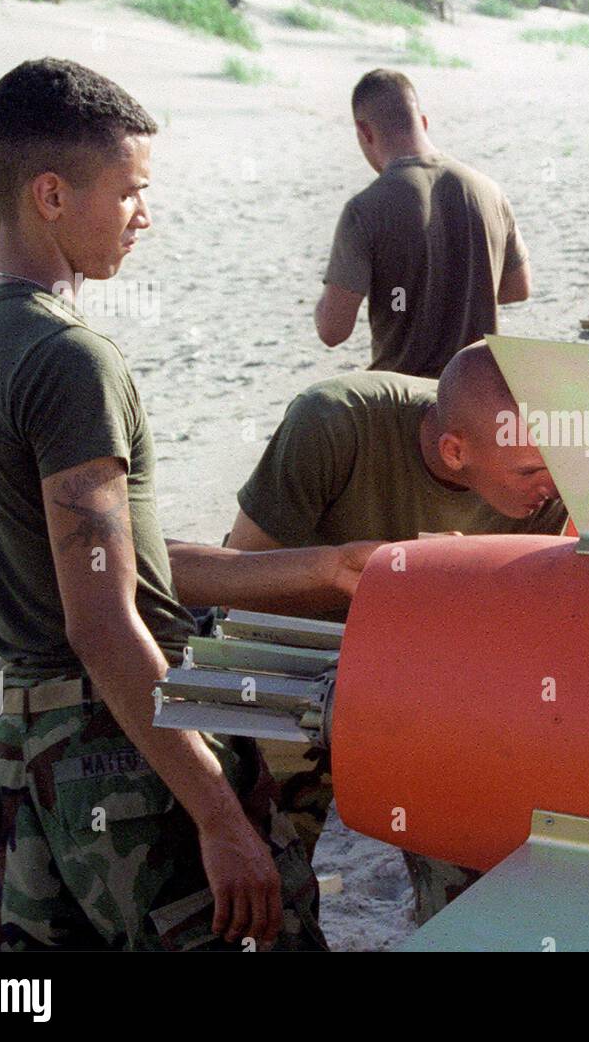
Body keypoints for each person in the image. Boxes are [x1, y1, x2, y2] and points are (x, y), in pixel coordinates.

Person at [0, 58, 372, 951]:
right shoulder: (69, 359)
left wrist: (319, 569)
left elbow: (96, 558)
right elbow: (101, 620)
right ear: (50, 195)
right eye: (131, 191)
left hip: (32, 760)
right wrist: (217, 813)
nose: (147, 215)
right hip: (127, 753)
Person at [219, 343, 567, 923]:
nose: (550, 486)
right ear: (455, 452)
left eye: (556, 462)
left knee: (472, 883)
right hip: (295, 668)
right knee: (263, 877)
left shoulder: (541, 477)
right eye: (531, 470)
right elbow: (238, 580)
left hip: (426, 689)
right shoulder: (334, 424)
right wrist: (386, 577)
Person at [314, 70, 532, 379]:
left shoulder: (365, 209)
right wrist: (458, 288)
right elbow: (518, 288)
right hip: (474, 392)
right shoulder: (488, 191)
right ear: (423, 122)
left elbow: (332, 330)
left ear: (364, 131)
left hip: (404, 399)